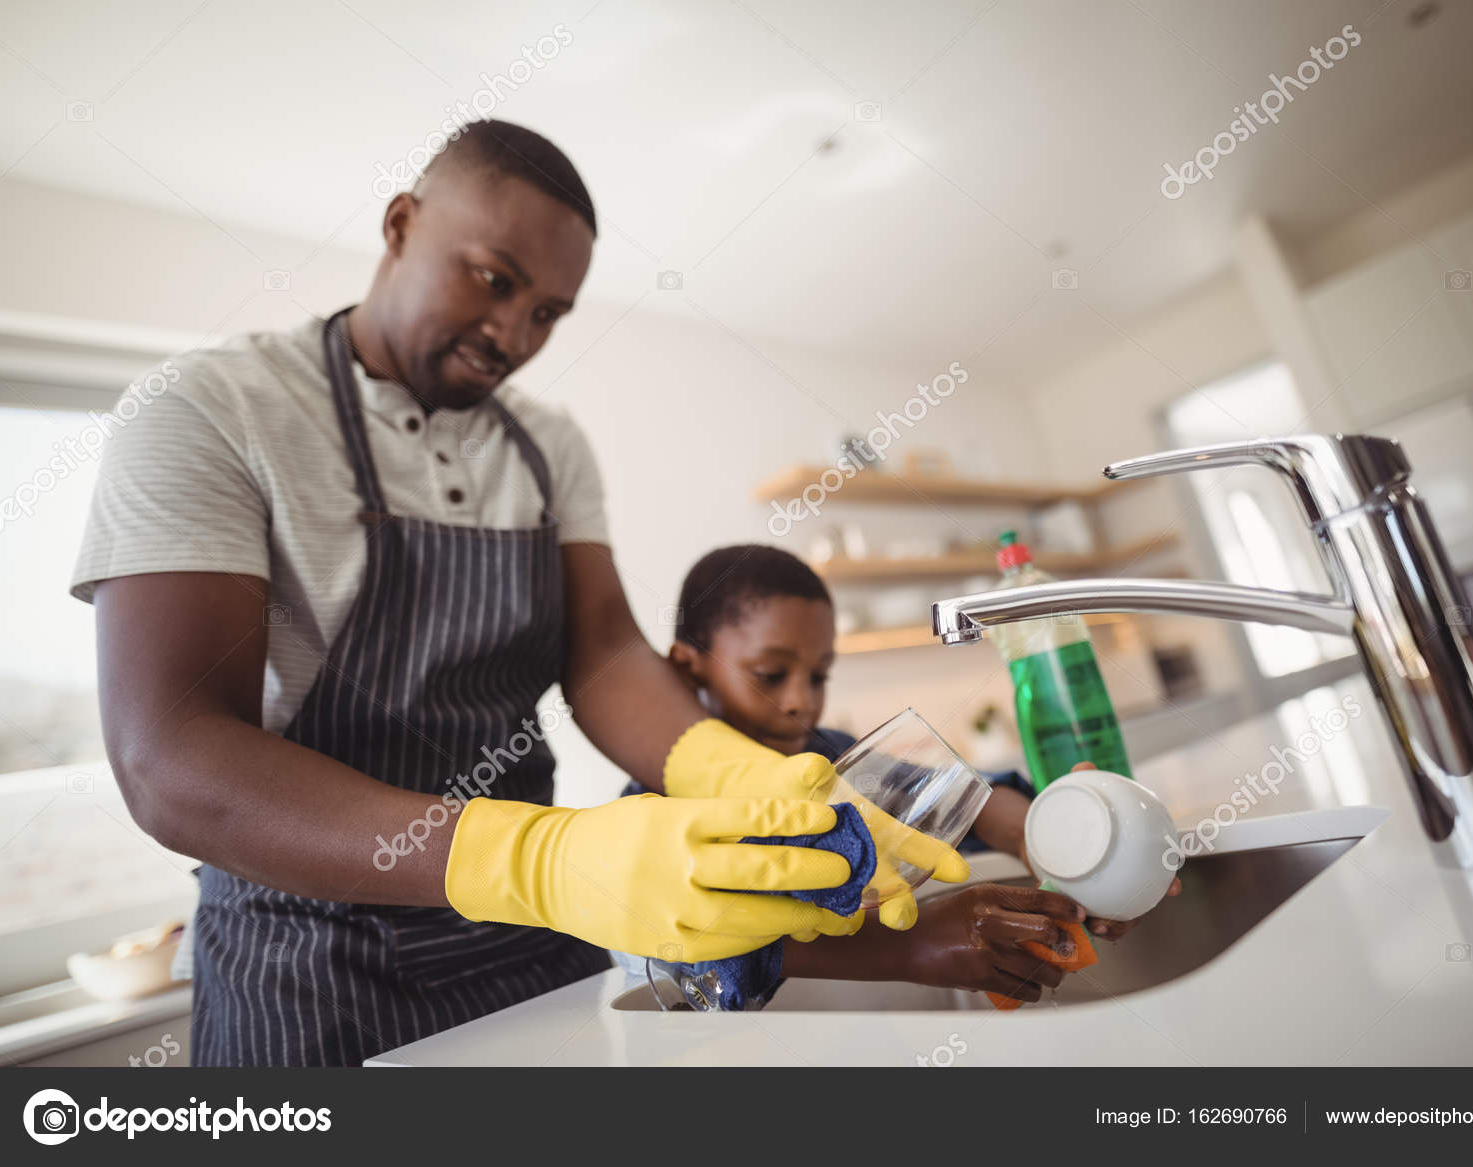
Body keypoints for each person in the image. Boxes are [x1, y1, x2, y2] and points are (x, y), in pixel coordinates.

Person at [71, 121, 967, 1066]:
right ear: (401, 223)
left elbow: (606, 653)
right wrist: (538, 860)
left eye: (549, 313)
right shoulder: (211, 412)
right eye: (495, 281)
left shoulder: (548, 449)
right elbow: (169, 754)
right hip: (306, 971)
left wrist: (730, 769)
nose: (513, 335)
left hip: (530, 951)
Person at [624, 544, 1181, 1003]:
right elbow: (662, 939)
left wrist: (1055, 838)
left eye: (819, 677)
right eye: (771, 674)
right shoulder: (652, 803)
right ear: (686, 666)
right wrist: (910, 945)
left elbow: (961, 802)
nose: (801, 701)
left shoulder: (828, 756)